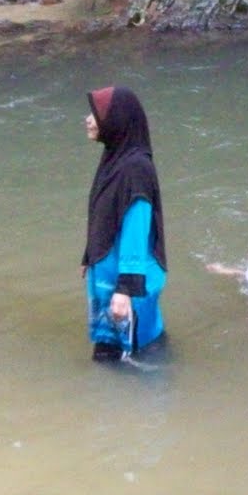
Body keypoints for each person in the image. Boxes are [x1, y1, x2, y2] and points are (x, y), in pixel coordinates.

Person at [84, 85, 167, 362]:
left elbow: (136, 227)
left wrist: (125, 289)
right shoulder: (115, 157)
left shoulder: (136, 168)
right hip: (112, 278)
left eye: (96, 114)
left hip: (126, 286)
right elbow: (105, 213)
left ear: (116, 120)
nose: (88, 119)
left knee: (135, 362)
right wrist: (90, 254)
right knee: (109, 361)